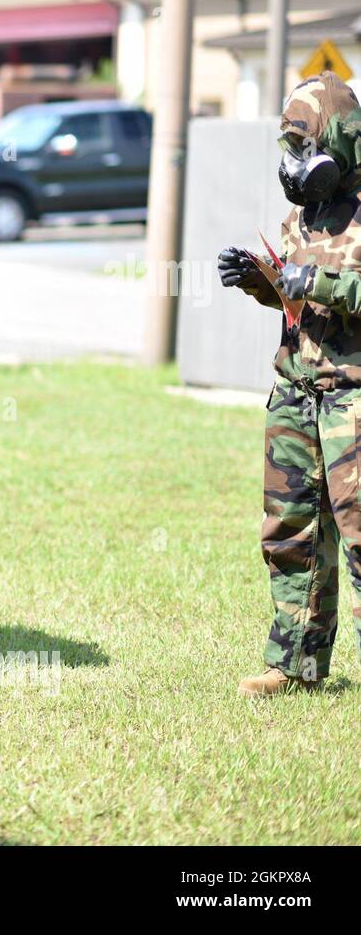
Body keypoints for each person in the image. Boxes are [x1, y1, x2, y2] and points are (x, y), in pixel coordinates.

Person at [217, 71, 361, 696]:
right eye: (290, 147)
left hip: (352, 399)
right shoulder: (302, 219)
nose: (297, 162)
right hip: (295, 394)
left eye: (307, 145)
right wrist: (258, 278)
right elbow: (289, 298)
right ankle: (296, 662)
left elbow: (338, 290)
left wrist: (317, 283)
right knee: (290, 532)